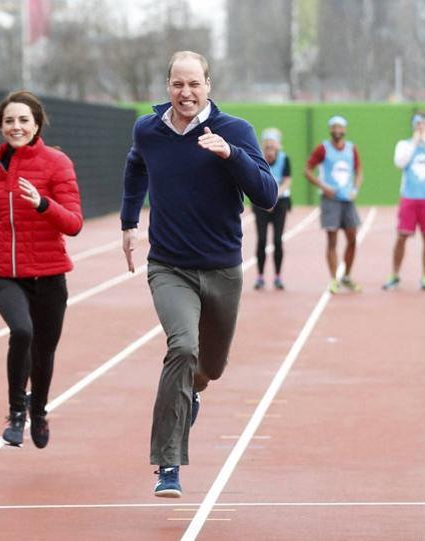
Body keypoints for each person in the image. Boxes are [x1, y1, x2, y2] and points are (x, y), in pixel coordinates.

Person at [120, 51, 278, 498]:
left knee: (209, 367)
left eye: (194, 84)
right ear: (167, 85)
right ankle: (168, 463)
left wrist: (231, 156)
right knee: (182, 347)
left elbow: (266, 195)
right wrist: (129, 222)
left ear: (209, 85)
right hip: (169, 265)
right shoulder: (148, 130)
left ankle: (193, 395)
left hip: (223, 269)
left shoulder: (235, 131)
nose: (185, 93)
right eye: (177, 84)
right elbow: (135, 167)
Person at [0, 91, 83, 449]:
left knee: (44, 351)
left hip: (49, 276)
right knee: (22, 331)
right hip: (7, 275)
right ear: (0, 126)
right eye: (9, 121)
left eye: (23, 120)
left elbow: (74, 223)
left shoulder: (57, 163)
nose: (16, 127)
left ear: (36, 124)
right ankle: (17, 412)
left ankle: (40, 410)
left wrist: (43, 204)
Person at [383, 111, 425, 291]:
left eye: (424, 123)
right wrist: (414, 142)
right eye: (418, 124)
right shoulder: (404, 145)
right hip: (409, 197)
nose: (421, 127)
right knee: (402, 236)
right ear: (413, 125)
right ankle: (395, 274)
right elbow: (400, 162)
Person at [304, 115, 364, 294]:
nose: (337, 131)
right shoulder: (323, 149)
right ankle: (333, 279)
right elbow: (307, 170)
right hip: (330, 200)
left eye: (340, 128)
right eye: (334, 127)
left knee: (352, 238)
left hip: (348, 200)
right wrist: (323, 186)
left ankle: (346, 276)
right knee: (332, 240)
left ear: (344, 130)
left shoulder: (352, 149)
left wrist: (356, 188)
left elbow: (359, 170)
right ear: (330, 130)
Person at [253, 128, 292, 290]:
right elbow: (254, 180)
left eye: (272, 145)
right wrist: (265, 199)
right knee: (262, 240)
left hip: (279, 203)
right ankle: (260, 276)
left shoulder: (284, 159)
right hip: (261, 203)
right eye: (267, 146)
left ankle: (277, 276)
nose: (269, 149)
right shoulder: (257, 159)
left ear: (277, 146)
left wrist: (274, 198)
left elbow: (287, 181)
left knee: (277, 240)